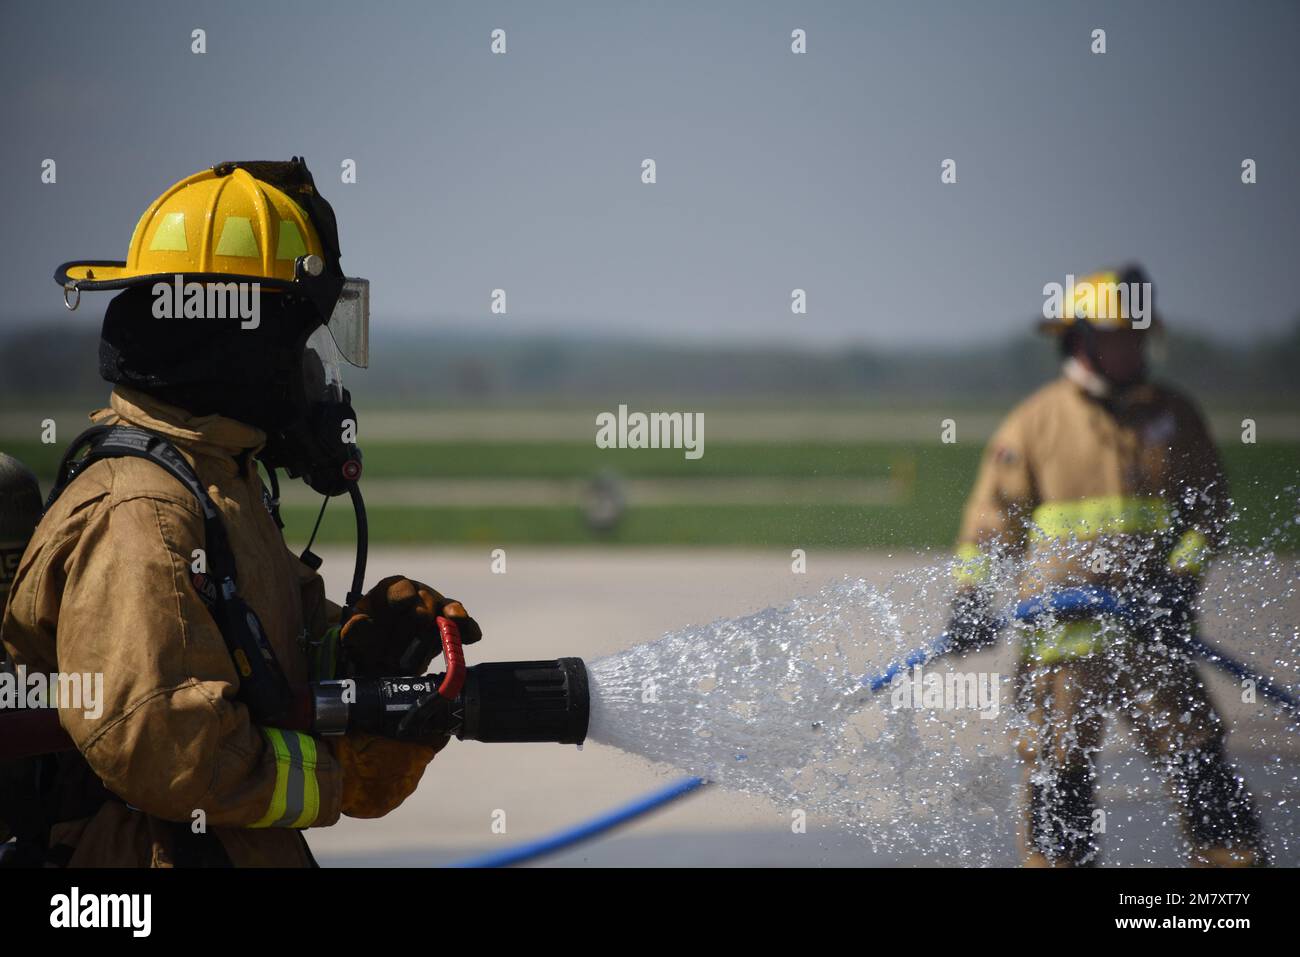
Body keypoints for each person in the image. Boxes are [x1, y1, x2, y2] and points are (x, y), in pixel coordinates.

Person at [0, 160, 481, 867]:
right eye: (301, 345)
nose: (317, 378)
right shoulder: (144, 512)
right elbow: (164, 747)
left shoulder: (221, 483)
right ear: (239, 343)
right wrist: (337, 774)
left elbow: (258, 663)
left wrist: (359, 661)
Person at [945, 266, 1266, 867]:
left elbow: (1210, 511)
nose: (1133, 349)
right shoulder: (1038, 420)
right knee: (1057, 784)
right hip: (1062, 648)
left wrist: (1177, 580)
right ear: (1082, 339)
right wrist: (969, 598)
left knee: (1201, 767)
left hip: (1153, 634)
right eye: (1120, 337)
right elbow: (991, 524)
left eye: (1139, 337)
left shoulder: (1174, 416)